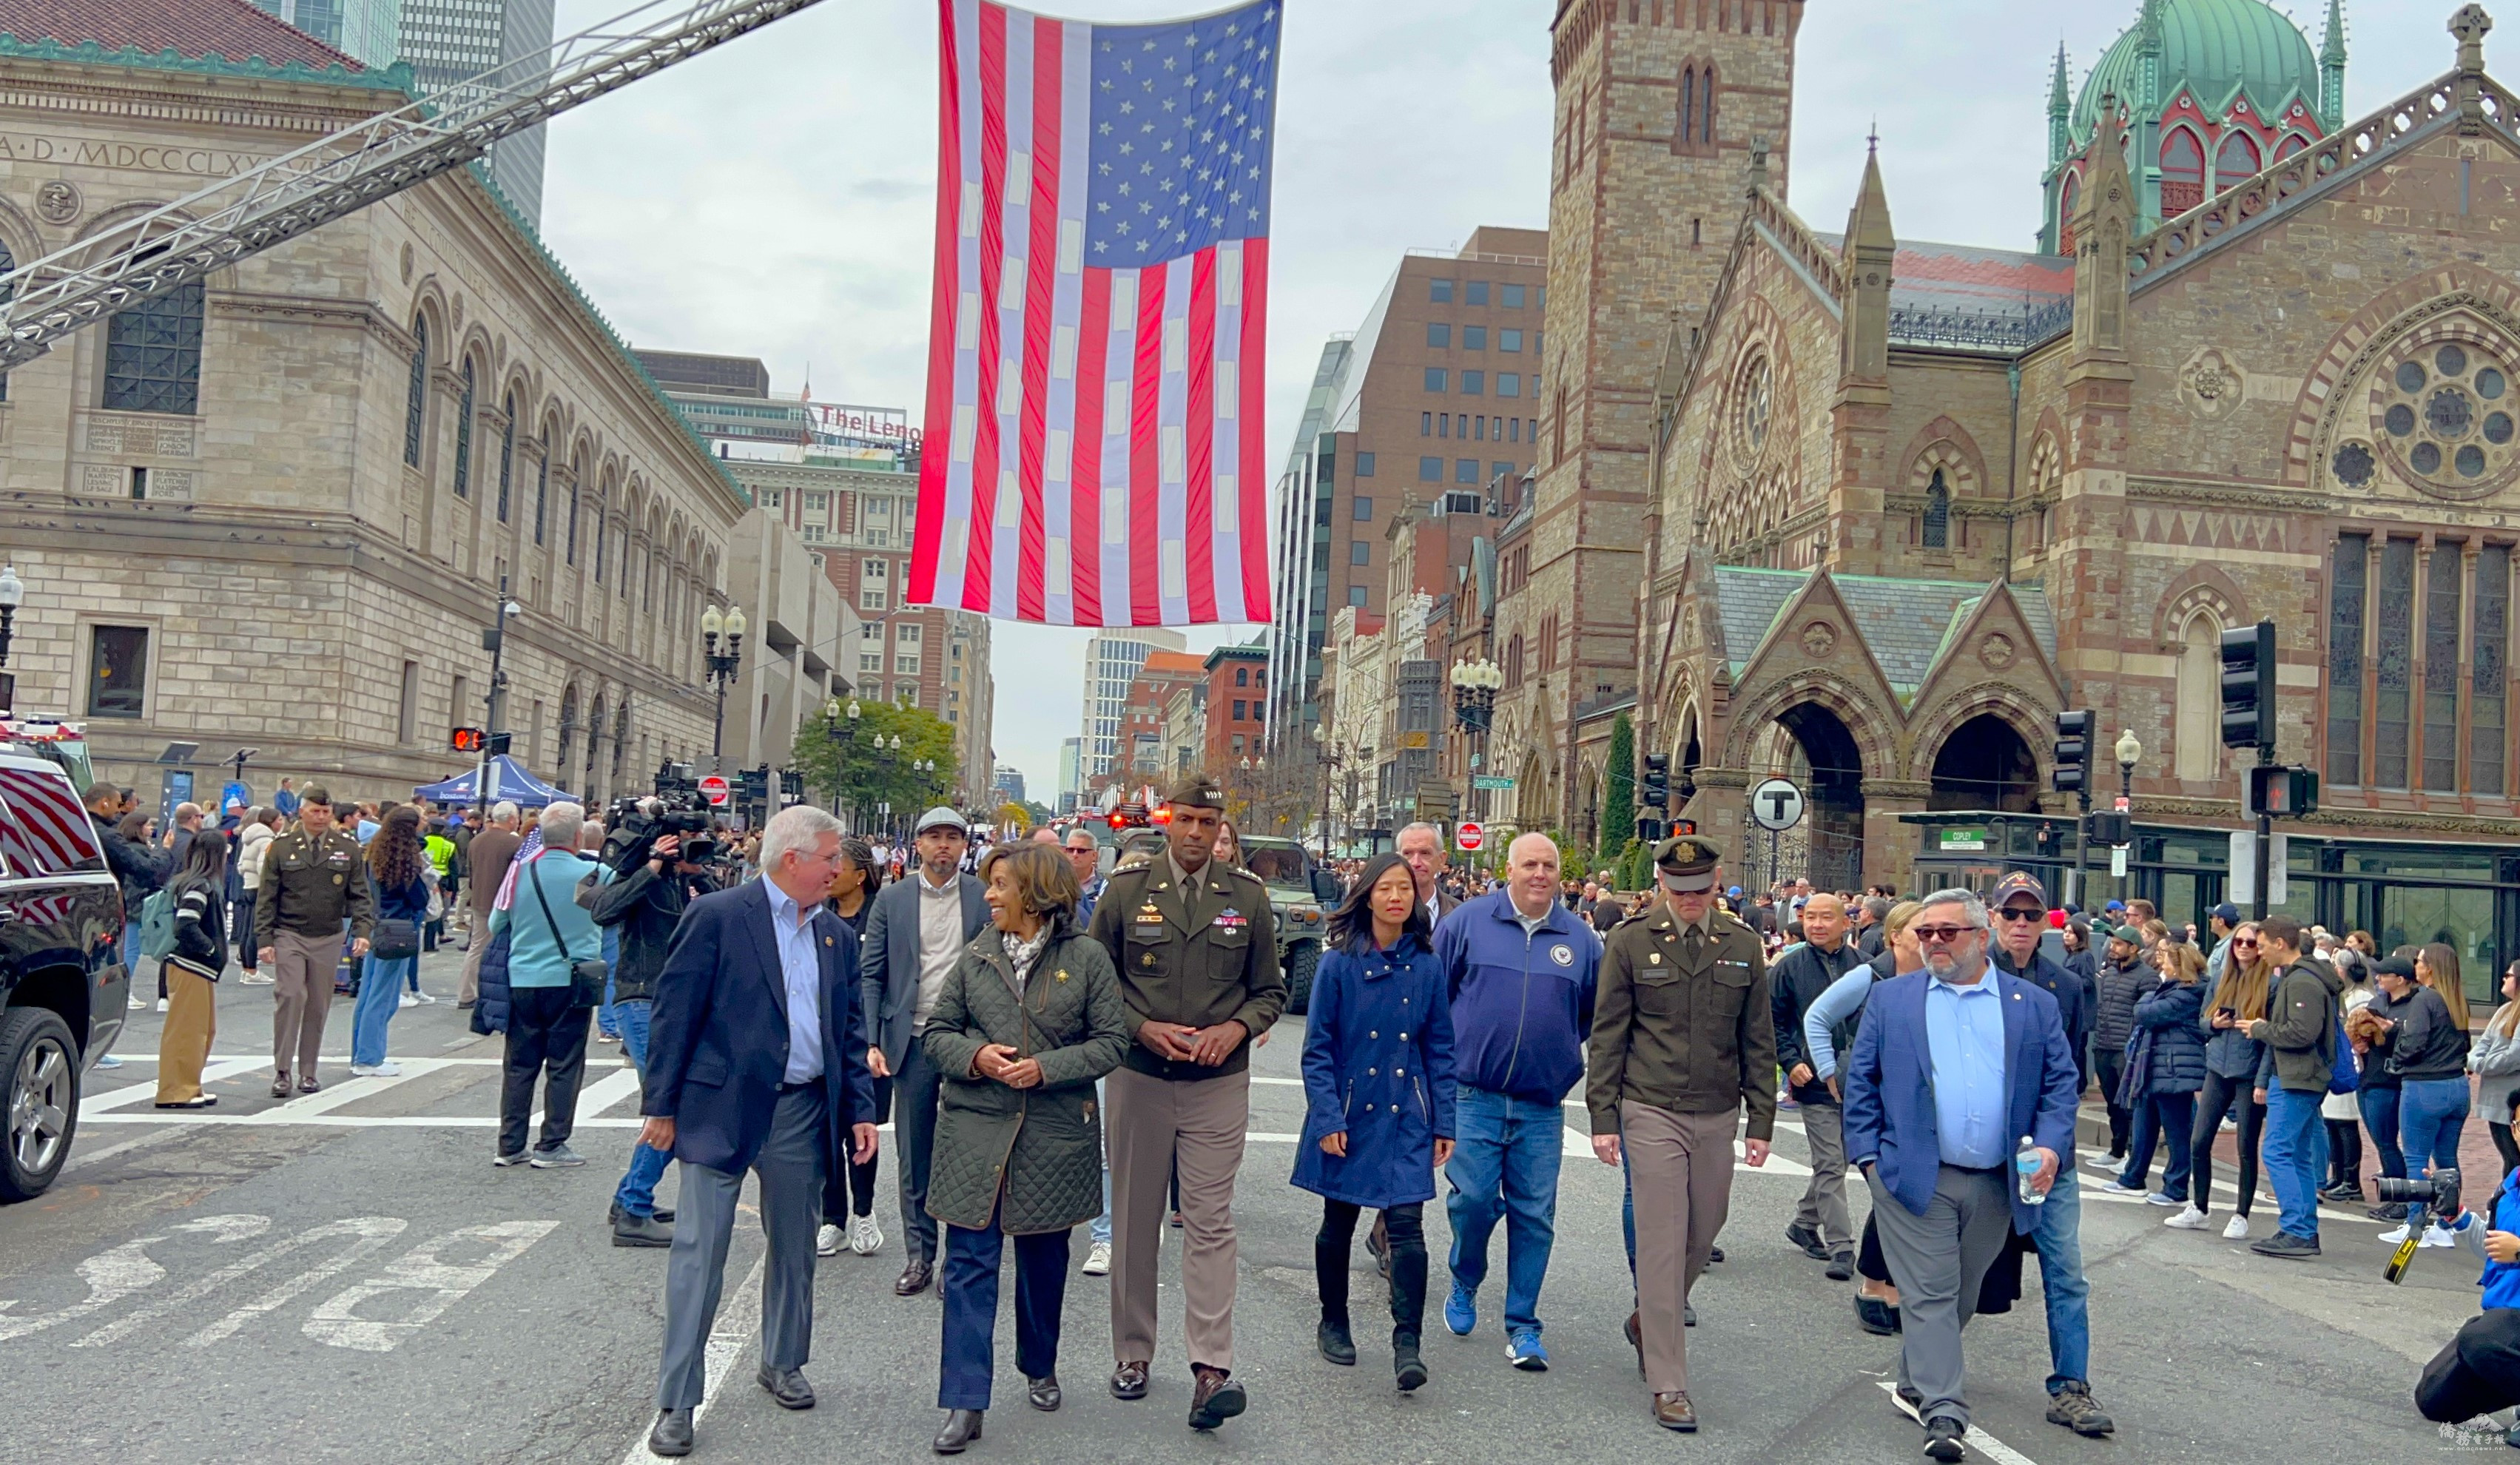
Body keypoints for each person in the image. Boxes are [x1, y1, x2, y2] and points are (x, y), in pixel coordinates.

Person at [640, 806, 880, 1459]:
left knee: (796, 1247)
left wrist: (861, 1108)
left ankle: (782, 1361)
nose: (841, 868)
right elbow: (674, 1013)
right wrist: (659, 1108)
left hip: (802, 1110)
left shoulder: (835, 934)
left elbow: (848, 1031)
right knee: (699, 1253)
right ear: (792, 858)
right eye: (832, 858)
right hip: (721, 1108)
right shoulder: (718, 916)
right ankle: (677, 1400)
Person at [1841, 889, 2080, 1463]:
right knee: (1930, 1290)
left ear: (1980, 936)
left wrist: (2049, 1147)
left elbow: (2059, 1086)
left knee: (1962, 1292)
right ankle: (1945, 1410)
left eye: (1947, 932)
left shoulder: (2032, 1004)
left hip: (1997, 1178)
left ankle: (1914, 1377)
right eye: (1925, 933)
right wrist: (1870, 1160)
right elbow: (1862, 1083)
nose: (1933, 943)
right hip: (1911, 1174)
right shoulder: (1894, 1000)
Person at [1087, 779, 1284, 1431]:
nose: (1197, 832)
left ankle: (1210, 1368)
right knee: (1135, 1220)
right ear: (1169, 821)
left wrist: (1237, 1029)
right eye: (1187, 819)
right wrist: (1142, 1027)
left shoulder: (1247, 898)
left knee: (1209, 1222)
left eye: (1208, 820)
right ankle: (1134, 1353)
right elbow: (1097, 979)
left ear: (1222, 823)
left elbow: (1270, 992)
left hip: (1218, 1081)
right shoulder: (1126, 891)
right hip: (1139, 1075)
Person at [924, 842, 1130, 1453]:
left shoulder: (1087, 959)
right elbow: (937, 1033)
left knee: (1044, 1266)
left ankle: (1039, 1363)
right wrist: (976, 1056)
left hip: (1052, 1135)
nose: (989, 894)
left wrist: (1046, 1068)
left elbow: (1112, 1043)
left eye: (1000, 885)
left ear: (1036, 895)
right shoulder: (977, 955)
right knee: (968, 1266)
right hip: (975, 1132)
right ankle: (965, 1400)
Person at [1587, 836, 1774, 1433]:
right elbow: (1609, 1033)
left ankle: (1649, 1317)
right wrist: (1602, 1118)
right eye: (1679, 889)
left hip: (1717, 1109)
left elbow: (1758, 1039)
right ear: (1663, 885)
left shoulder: (1743, 945)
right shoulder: (1631, 940)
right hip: (1651, 1107)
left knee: (1705, 1226)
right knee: (1663, 1242)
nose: (1691, 899)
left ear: (1718, 883)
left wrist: (1762, 1121)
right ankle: (1669, 1382)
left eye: (1701, 889)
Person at [1431, 831, 1600, 1371]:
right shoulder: (1467, 924)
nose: (1540, 874)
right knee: (1473, 1200)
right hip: (1472, 1096)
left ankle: (1524, 1324)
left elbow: (1588, 1015)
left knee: (1535, 1215)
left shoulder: (1581, 940)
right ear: (1509, 869)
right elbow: (1435, 998)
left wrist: (1554, 1062)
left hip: (1540, 1106)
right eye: (1529, 864)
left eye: (1549, 865)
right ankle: (1465, 1278)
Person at [1294, 852, 1455, 1393]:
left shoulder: (1427, 966)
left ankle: (1407, 1341)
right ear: (1366, 896)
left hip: (1406, 1112)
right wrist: (1326, 1116)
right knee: (1337, 1223)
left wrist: (1444, 1123)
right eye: (1385, 888)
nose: (1395, 898)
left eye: (1404, 889)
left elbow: (1441, 1051)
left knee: (1408, 1230)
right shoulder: (1339, 964)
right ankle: (1333, 1319)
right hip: (1349, 1110)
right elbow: (1317, 1050)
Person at [860, 806, 990, 1297]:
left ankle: (958, 1258)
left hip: (966, 1040)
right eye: (933, 837)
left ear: (964, 846)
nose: (943, 846)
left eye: (952, 838)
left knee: (965, 1151)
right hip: (909, 1040)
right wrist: (873, 1039)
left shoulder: (982, 897)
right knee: (914, 1152)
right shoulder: (892, 899)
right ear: (917, 845)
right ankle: (920, 1255)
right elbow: (872, 973)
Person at [593, 817, 720, 1248]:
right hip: (644, 1002)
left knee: (670, 1105)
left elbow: (729, 916)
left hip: (671, 1006)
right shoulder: (646, 880)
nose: (692, 850)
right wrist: (652, 866)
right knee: (672, 1106)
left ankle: (628, 1199)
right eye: (684, 844)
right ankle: (634, 1205)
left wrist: (699, 874)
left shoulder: (688, 885)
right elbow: (603, 910)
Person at [1804, 898, 1924, 1336]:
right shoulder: (1871, 974)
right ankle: (1877, 1285)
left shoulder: (1940, 977)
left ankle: (1890, 1283)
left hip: (1916, 1098)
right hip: (1873, 1094)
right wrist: (1827, 1070)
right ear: (1895, 936)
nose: (1930, 940)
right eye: (1920, 932)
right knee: (1889, 1189)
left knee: (1908, 1191)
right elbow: (1817, 1016)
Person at [488, 802, 602, 1168]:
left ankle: (510, 1144)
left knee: (519, 1064)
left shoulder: (519, 871)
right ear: (577, 836)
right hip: (572, 977)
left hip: (523, 976)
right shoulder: (593, 872)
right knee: (565, 1063)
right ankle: (552, 1143)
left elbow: (495, 925)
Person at [253, 786, 372, 1097]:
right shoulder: (281, 848)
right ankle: (282, 1070)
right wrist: (264, 939)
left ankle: (308, 1071)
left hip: (328, 935)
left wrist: (362, 931)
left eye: (326, 812)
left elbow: (360, 894)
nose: (320, 817)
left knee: (318, 1003)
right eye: (315, 811)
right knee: (290, 995)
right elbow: (267, 898)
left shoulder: (347, 848)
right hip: (289, 932)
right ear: (302, 812)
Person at [1769, 889, 1864, 1280]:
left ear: (1846, 922)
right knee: (1829, 1162)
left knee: (1838, 1162)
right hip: (1812, 1082)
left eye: (1827, 917)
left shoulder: (1864, 966)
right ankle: (1842, 1245)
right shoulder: (1788, 968)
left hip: (1855, 1082)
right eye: (1810, 917)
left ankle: (1804, 1222)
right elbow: (1770, 1021)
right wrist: (1791, 1062)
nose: (1817, 925)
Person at [2245, 915, 2346, 1259]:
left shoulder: (2301, 981)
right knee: (2297, 1154)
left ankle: (2297, 1229)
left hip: (2297, 1076)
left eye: (2261, 946)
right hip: (2302, 1076)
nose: (2258, 953)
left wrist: (2260, 1029)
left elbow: (2302, 1033)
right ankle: (2302, 1228)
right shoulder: (2306, 977)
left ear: (2279, 943)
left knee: (2277, 1150)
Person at [2374, 946, 2473, 1248]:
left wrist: (2397, 1060)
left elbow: (2414, 1043)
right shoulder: (2457, 1000)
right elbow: (2464, 1043)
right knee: (2447, 1159)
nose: (2414, 966)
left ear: (2429, 968)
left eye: (2418, 961)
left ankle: (2414, 1224)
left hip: (2425, 1086)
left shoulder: (2425, 999)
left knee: (2416, 1156)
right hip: (2457, 1086)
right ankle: (2446, 1223)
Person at [2174, 921, 2268, 1238]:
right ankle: (2199, 1207)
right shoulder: (2221, 978)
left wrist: (2263, 1079)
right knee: (2199, 1139)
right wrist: (2214, 1023)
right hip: (2218, 1067)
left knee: (2245, 1146)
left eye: (2251, 943)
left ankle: (2241, 1214)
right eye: (2239, 941)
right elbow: (2201, 1022)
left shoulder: (2271, 984)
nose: (2243, 946)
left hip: (2249, 1070)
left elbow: (2271, 1039)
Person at [817, 835, 886, 1259]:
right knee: (826, 1132)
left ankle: (864, 1212)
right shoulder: (816, 917)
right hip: (824, 1041)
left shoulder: (879, 917)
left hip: (865, 1041)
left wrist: (878, 1039)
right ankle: (832, 1219)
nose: (830, 872)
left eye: (836, 864)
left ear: (860, 875)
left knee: (862, 1131)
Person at [2104, 941, 2206, 1209]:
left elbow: (2145, 1012)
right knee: (2143, 1127)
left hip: (2174, 1070)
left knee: (2176, 1133)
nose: (2162, 965)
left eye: (2167, 962)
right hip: (2154, 1067)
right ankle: (2133, 1178)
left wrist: (2152, 992)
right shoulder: (2173, 989)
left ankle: (2176, 1189)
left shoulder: (2188, 993)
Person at [349, 808, 431, 1078]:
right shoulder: (406, 860)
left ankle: (361, 1053)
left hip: (376, 924)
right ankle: (370, 1057)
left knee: (369, 991)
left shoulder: (375, 853)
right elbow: (419, 898)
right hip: (398, 927)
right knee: (384, 996)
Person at [153, 830, 232, 1109]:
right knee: (187, 1031)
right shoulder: (201, 885)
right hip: (192, 965)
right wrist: (210, 949)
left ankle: (189, 1086)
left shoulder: (191, 881)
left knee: (200, 1030)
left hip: (193, 967)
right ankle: (176, 1090)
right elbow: (186, 924)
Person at [2089, 926, 2147, 1159]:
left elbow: (2144, 1015)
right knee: (2112, 1103)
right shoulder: (2110, 973)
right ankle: (2116, 1150)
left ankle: (2133, 1154)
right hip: (2103, 1044)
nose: (2112, 948)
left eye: (2118, 944)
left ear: (2133, 948)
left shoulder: (2147, 977)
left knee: (2129, 1106)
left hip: (2126, 1049)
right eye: (2112, 944)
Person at [459, 803, 523, 1010]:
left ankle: (466, 993)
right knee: (506, 950)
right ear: (512, 819)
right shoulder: (515, 844)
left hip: (480, 899)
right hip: (505, 904)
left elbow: (471, 870)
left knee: (477, 948)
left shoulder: (476, 841)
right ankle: (500, 993)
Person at [2473, 963, 2520, 1184]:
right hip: (2496, 1098)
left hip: (2512, 1100)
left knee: (2514, 1159)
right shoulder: (2505, 1010)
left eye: (2508, 975)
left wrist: (2481, 1064)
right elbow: (2484, 1043)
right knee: (2508, 1157)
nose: (2503, 979)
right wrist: (2475, 1060)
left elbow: (2514, 1056)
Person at [232, 809, 279, 986]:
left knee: (247, 929)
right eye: (279, 819)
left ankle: (247, 969)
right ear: (272, 822)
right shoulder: (266, 839)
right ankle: (251, 970)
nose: (281, 822)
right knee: (255, 929)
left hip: (248, 884)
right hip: (260, 886)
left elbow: (241, 864)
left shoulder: (249, 837)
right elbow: (264, 867)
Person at [1395, 821, 1457, 929]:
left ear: (1441, 859)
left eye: (1425, 853)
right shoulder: (1376, 914)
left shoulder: (1460, 914)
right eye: (1408, 854)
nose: (1416, 862)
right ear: (1397, 859)